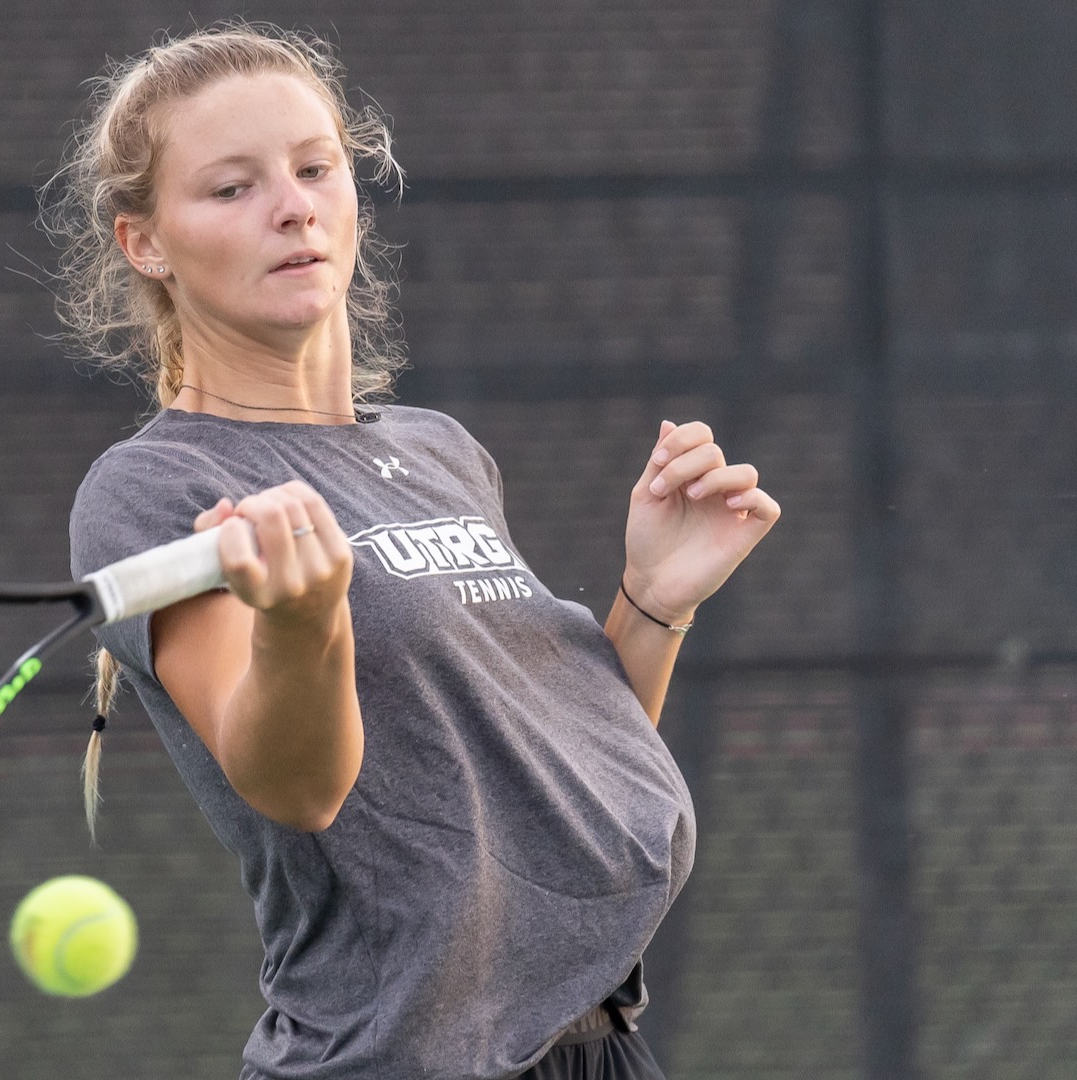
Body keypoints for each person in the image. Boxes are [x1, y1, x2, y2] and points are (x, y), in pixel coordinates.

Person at [50, 23, 780, 1080]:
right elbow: (295, 788)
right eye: (232, 188)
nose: (292, 207)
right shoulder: (153, 490)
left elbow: (534, 768)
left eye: (315, 169)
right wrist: (302, 626)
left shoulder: (442, 451)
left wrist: (654, 601)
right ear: (145, 243)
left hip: (599, 1047)